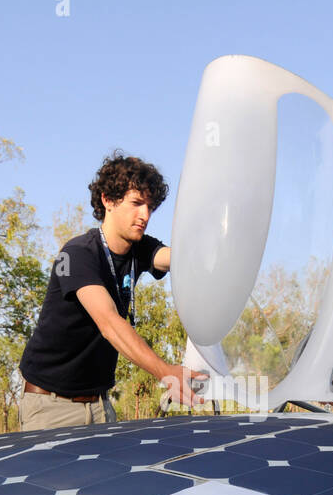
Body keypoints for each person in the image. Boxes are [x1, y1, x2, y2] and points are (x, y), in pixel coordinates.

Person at [18, 151, 203, 431]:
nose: (145, 215)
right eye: (137, 203)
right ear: (108, 200)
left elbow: (174, 258)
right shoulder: (77, 253)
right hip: (50, 407)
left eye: (150, 207)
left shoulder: (137, 248)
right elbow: (109, 323)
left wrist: (214, 251)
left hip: (100, 405)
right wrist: (166, 373)